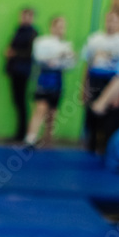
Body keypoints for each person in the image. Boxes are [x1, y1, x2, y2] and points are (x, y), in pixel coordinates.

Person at [81, 5, 119, 153]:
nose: (111, 24)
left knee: (111, 122)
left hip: (113, 80)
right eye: (109, 20)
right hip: (96, 80)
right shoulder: (95, 39)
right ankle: (91, 147)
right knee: (93, 119)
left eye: (114, 21)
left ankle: (107, 151)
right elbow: (87, 66)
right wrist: (85, 87)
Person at [24, 17, 76, 147]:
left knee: (53, 112)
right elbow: (39, 58)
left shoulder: (66, 44)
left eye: (63, 27)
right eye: (58, 26)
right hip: (44, 78)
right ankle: (30, 138)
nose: (60, 29)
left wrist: (66, 57)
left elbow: (70, 64)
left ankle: (47, 139)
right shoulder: (42, 41)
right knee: (40, 108)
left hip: (57, 79)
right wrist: (58, 56)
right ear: (52, 26)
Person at [5, 8, 38, 141]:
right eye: (24, 16)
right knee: (17, 101)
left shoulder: (32, 33)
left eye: (28, 16)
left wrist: (14, 53)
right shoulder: (18, 30)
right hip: (14, 70)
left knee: (21, 102)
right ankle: (20, 132)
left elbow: (31, 53)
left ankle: (22, 133)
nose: (25, 18)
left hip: (22, 71)